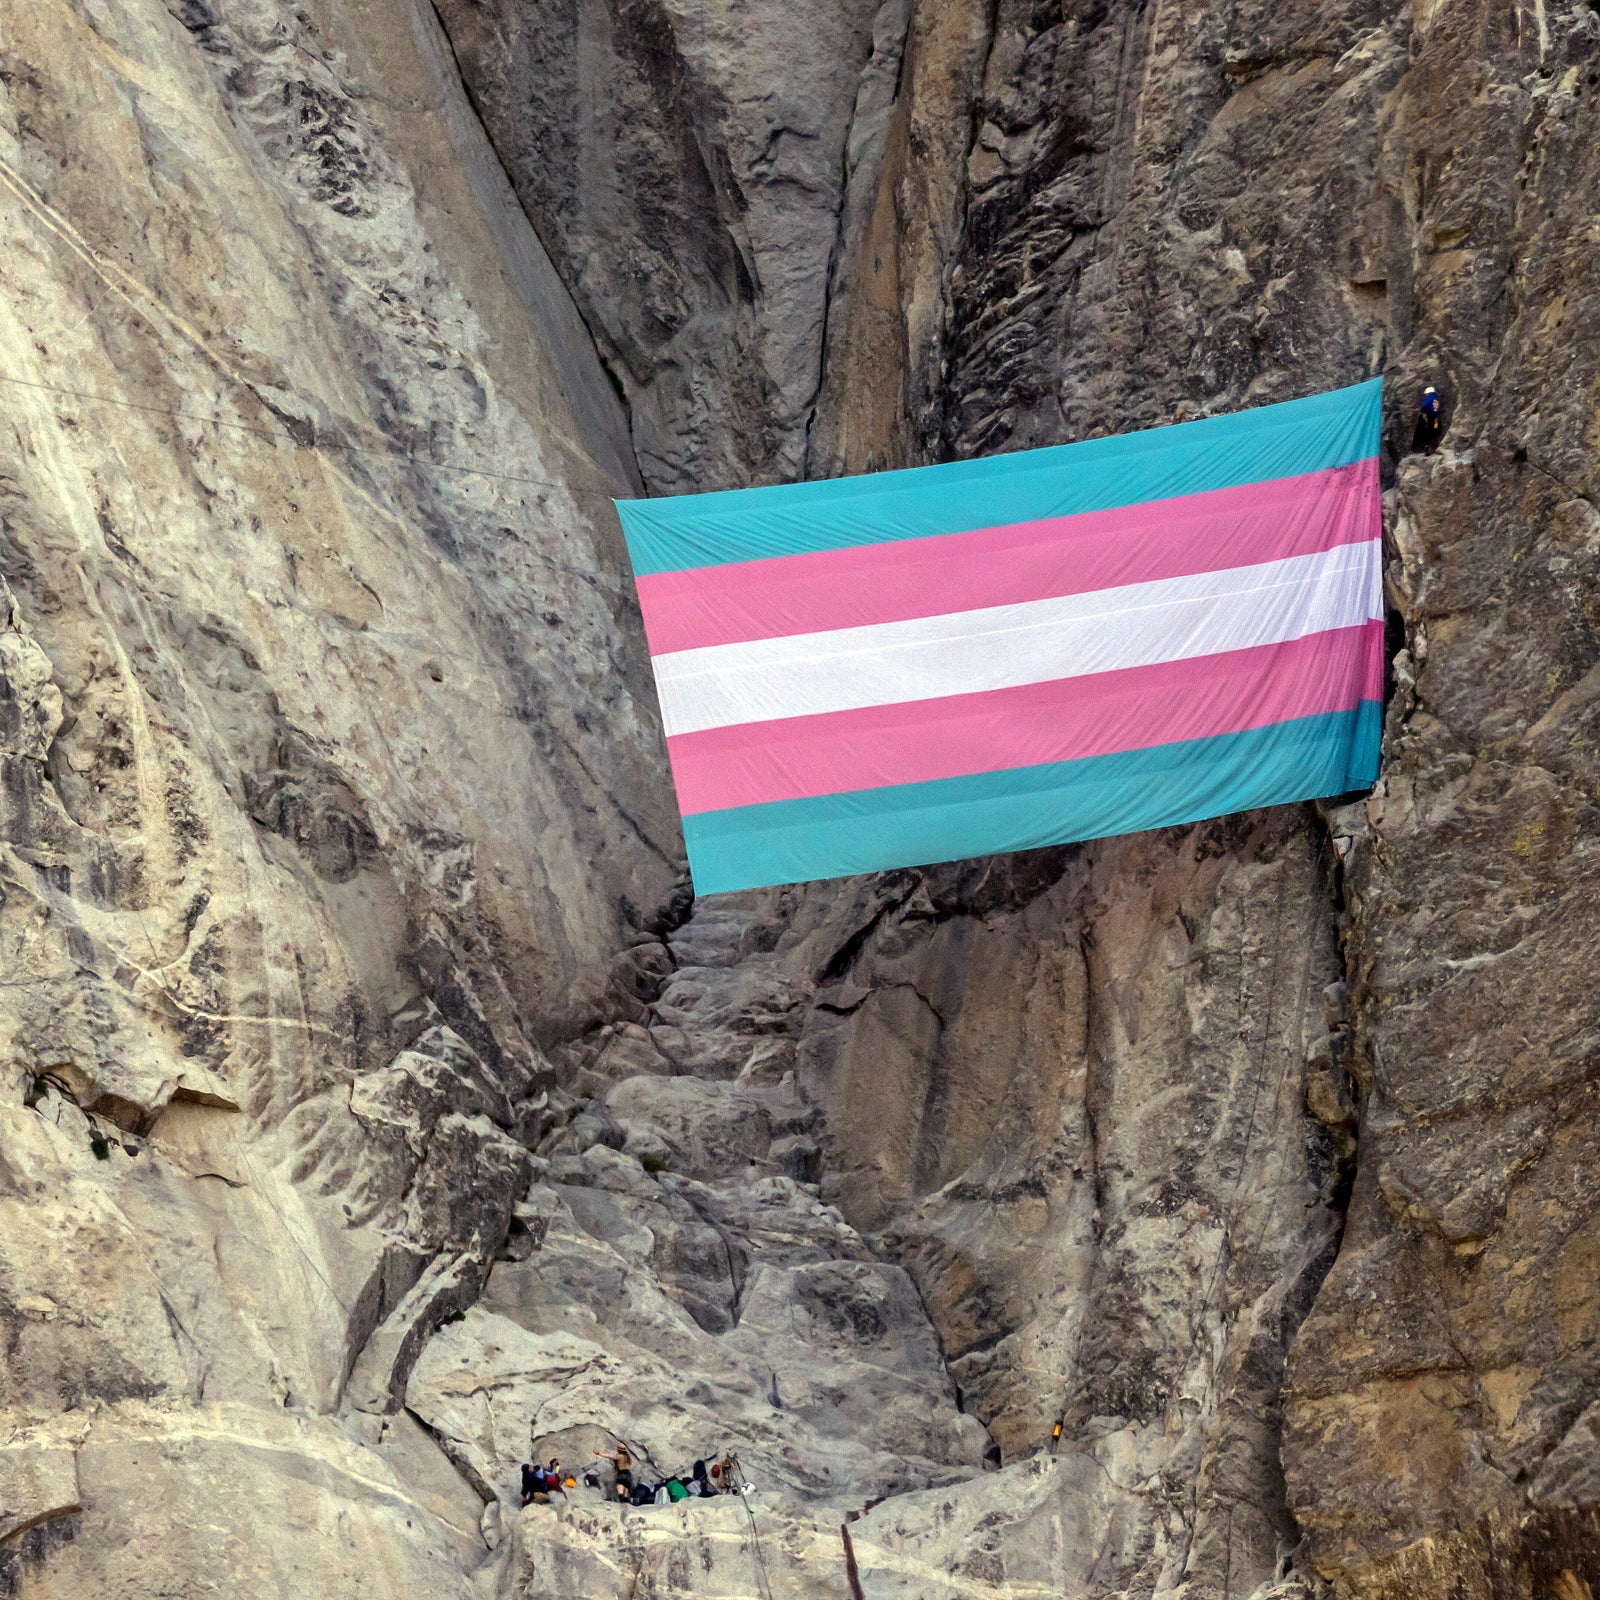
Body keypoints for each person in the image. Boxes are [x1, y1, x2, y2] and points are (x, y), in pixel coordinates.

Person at [1413, 385, 1443, 453]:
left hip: (1430, 415)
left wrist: (1421, 410)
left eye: (1425, 394)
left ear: (1428, 393)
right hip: (1435, 416)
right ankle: (1433, 445)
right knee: (1434, 430)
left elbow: (1424, 405)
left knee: (1427, 431)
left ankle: (1428, 447)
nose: (1425, 396)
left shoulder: (1429, 397)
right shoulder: (1436, 397)